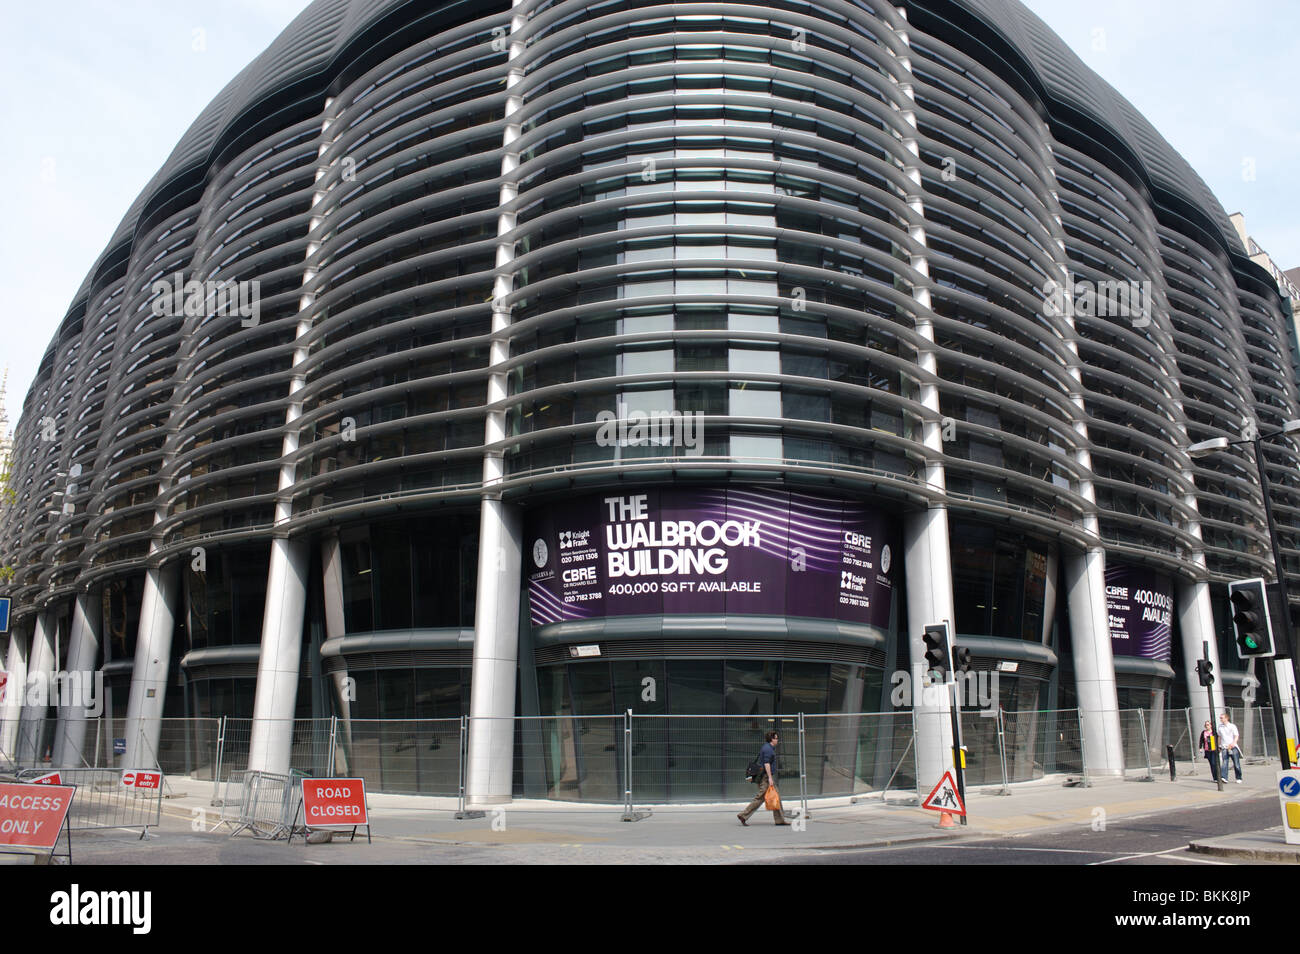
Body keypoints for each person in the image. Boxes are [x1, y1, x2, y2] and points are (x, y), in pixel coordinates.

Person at [738, 729, 788, 826]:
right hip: (765, 777)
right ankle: (743, 815)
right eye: (776, 738)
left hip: (765, 776)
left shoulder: (767, 747)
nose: (777, 740)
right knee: (760, 798)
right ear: (771, 739)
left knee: (775, 797)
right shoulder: (768, 749)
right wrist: (769, 778)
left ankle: (780, 820)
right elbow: (766, 764)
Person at [1218, 711, 1243, 783]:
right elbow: (1219, 736)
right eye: (1220, 718)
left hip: (1232, 747)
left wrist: (1233, 743)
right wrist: (1219, 745)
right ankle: (1224, 777)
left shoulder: (1232, 726)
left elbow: (1236, 736)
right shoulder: (1220, 727)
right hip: (1224, 747)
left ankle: (1239, 777)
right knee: (1225, 762)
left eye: (1222, 718)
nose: (1221, 719)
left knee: (1236, 763)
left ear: (1226, 718)